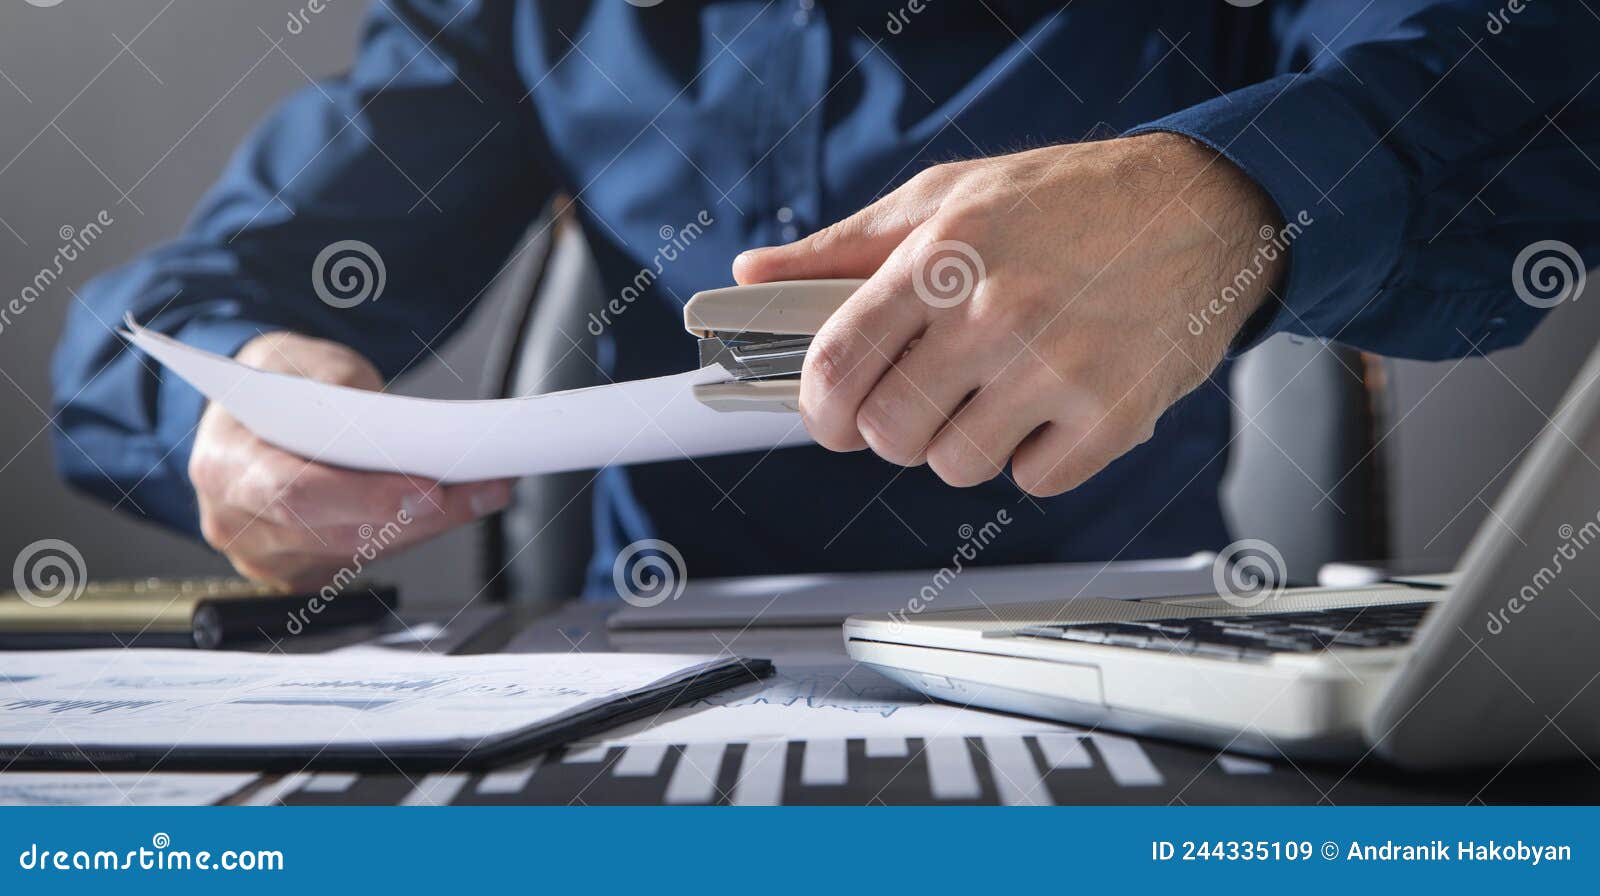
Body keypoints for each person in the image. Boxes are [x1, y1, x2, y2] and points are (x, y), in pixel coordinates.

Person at [51, 1, 1600, 597]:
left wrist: (1228, 197)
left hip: (1123, 666)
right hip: (644, 693)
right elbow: (194, 303)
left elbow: (1540, 82)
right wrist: (236, 412)